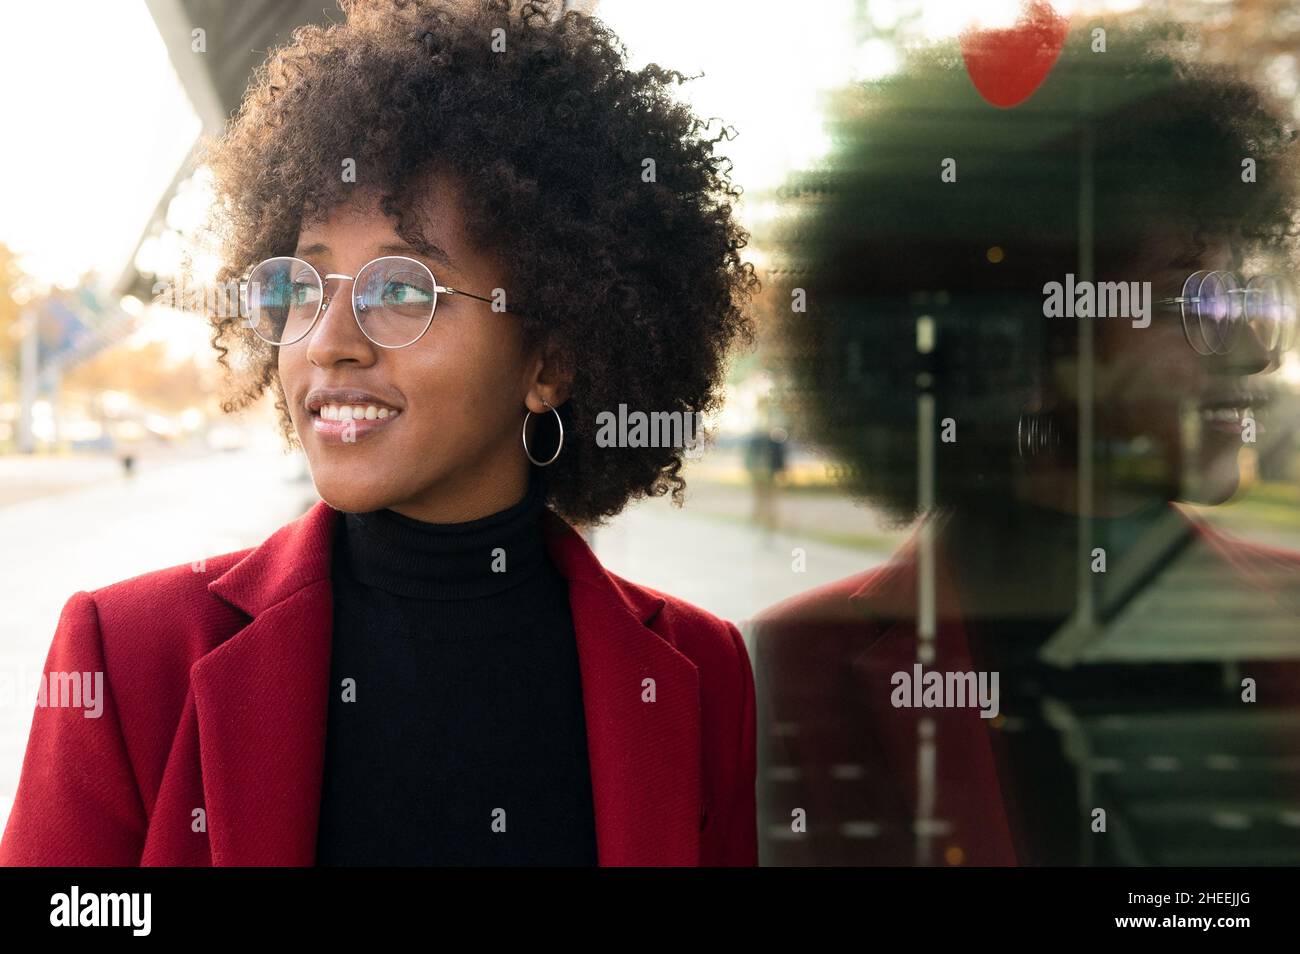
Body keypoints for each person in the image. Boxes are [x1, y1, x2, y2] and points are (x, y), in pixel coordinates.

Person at [0, 0, 759, 866]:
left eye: (402, 291)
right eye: (304, 285)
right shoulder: (127, 655)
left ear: (550, 358)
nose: (327, 341)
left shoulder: (702, 673)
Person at [750, 17, 1300, 866]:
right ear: (1010, 335)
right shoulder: (796, 666)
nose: (1254, 348)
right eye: (1190, 298)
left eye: (1239, 293)